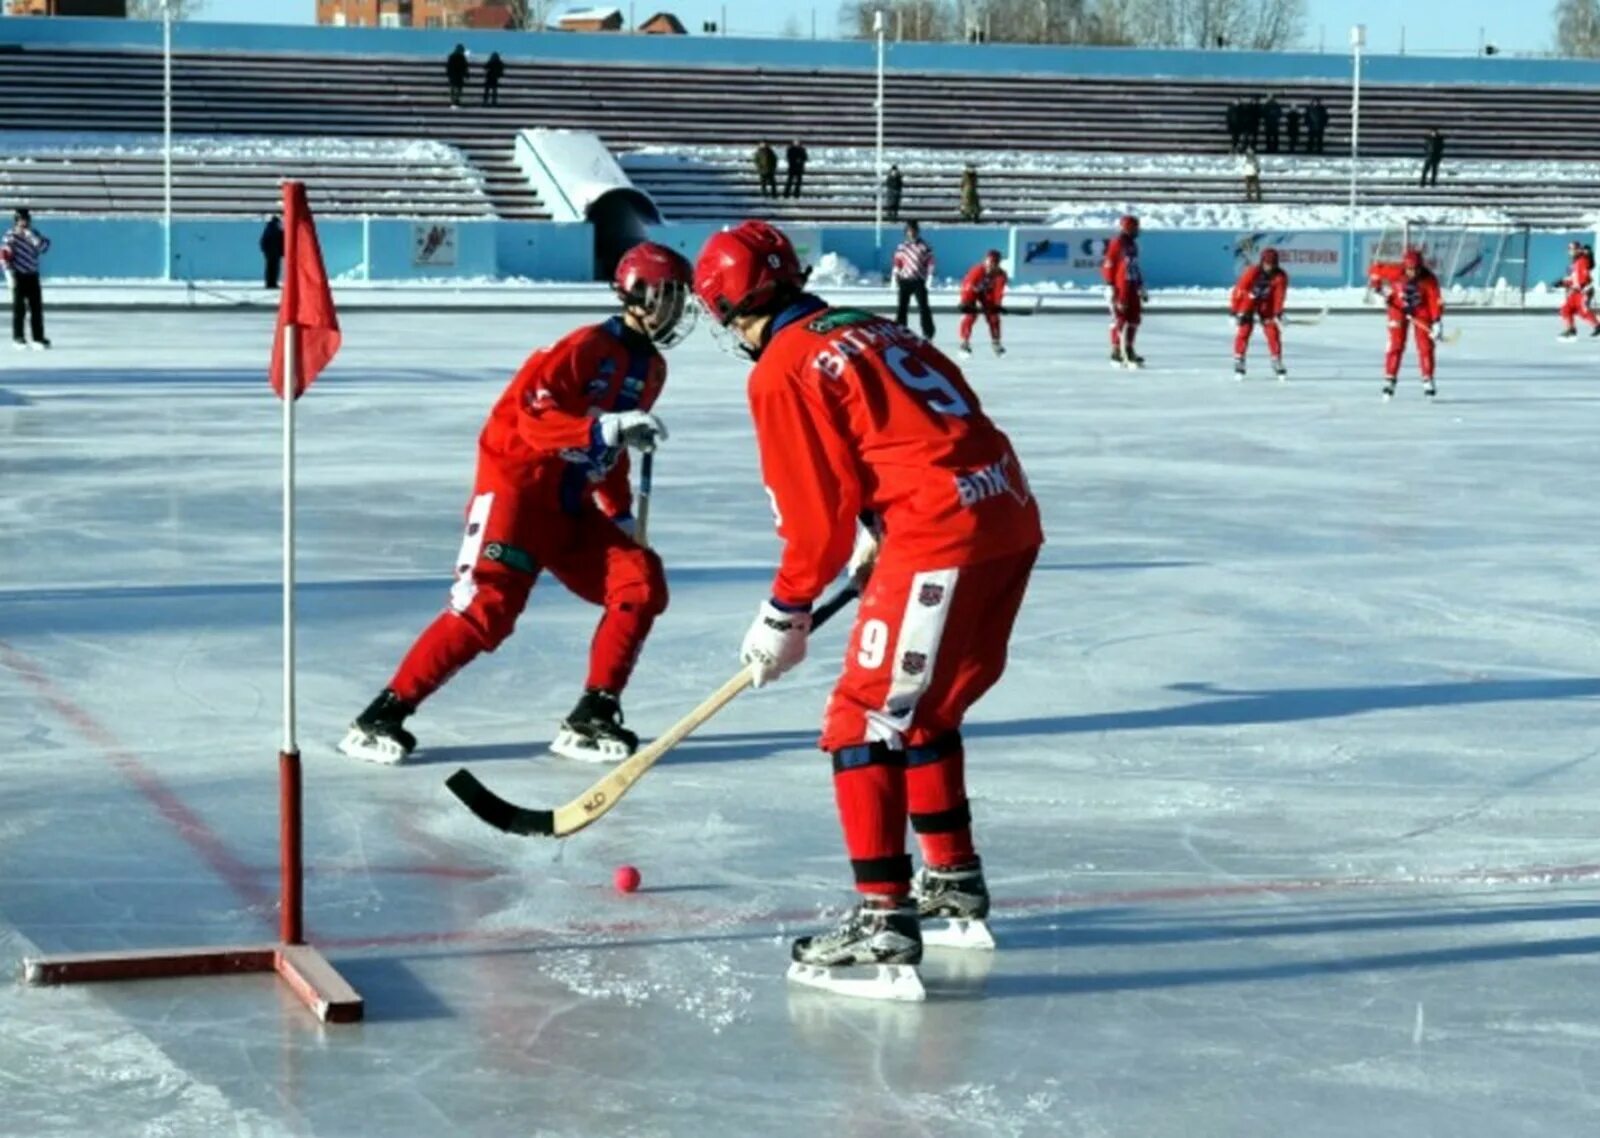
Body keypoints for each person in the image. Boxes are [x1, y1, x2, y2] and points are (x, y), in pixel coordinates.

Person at [690, 220, 1043, 989]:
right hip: (1006, 509)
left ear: (726, 306)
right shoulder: (870, 325)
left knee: (862, 716)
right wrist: (881, 523)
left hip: (942, 529)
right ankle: (949, 878)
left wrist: (785, 613)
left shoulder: (782, 365)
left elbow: (812, 523)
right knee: (928, 709)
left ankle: (884, 921)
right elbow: (942, 419)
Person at [337, 243, 696, 765]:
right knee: (489, 608)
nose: (676, 309)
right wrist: (604, 426)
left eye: (681, 298)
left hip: (570, 504)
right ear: (635, 294)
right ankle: (382, 716)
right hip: (516, 491)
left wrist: (616, 509)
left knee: (639, 579)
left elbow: (607, 451)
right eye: (667, 296)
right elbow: (536, 422)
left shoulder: (653, 369)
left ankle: (593, 713)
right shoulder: (584, 346)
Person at [1368, 248, 1444, 400]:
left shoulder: (1429, 279)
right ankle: (1390, 379)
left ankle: (1428, 379)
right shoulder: (1394, 271)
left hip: (1421, 312)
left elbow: (1435, 301)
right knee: (1396, 344)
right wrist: (1377, 289)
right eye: (1409, 269)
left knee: (1425, 346)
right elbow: (1373, 270)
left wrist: (1436, 321)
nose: (1412, 272)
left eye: (1416, 269)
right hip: (1397, 309)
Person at [1230, 247, 1288, 380]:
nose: (1269, 267)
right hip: (1248, 301)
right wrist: (1235, 311)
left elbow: (1279, 296)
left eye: (1272, 264)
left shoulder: (1281, 276)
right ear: (1262, 262)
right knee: (1244, 330)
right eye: (1267, 264)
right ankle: (1239, 359)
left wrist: (1278, 313)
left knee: (1272, 331)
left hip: (1266, 304)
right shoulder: (1252, 272)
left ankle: (1276, 360)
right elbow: (1239, 291)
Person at [1101, 214, 1145, 368]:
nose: (1138, 230)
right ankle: (1116, 351)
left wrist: (1141, 286)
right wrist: (1110, 285)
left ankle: (1128, 348)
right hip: (1121, 287)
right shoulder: (1117, 243)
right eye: (1136, 227)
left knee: (1134, 318)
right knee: (1119, 319)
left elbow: (1135, 267)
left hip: (1132, 286)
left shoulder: (1133, 245)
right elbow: (1108, 264)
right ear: (1129, 228)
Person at [2, 207, 50, 350]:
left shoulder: (34, 234)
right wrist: (8, 274)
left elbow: (44, 247)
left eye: (26, 220)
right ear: (16, 222)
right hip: (19, 275)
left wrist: (33, 237)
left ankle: (38, 338)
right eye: (21, 221)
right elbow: (4, 256)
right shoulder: (11, 236)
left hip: (32, 275)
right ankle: (18, 337)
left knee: (36, 308)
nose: (24, 223)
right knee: (19, 309)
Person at [956, 249, 1007, 357]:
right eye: (990, 262)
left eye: (995, 263)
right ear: (986, 261)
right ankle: (964, 342)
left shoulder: (1001, 275)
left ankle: (996, 342)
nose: (992, 266)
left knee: (993, 317)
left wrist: (997, 305)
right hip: (971, 292)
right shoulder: (977, 270)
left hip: (987, 294)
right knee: (971, 316)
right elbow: (967, 286)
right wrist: (965, 302)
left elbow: (998, 291)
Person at [891, 219, 936, 341]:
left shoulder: (924, 246)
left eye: (914, 231)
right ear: (906, 232)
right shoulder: (902, 247)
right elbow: (898, 261)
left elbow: (930, 262)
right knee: (902, 306)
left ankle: (928, 331)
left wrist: (930, 275)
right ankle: (900, 329)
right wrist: (895, 274)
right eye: (910, 231)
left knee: (923, 306)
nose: (912, 233)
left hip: (918, 281)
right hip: (904, 280)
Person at [1555, 239, 1599, 340]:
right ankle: (1571, 329)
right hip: (1575, 291)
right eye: (1569, 249)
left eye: (1572, 249)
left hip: (1582, 291)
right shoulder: (1574, 264)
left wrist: (1583, 286)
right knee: (1566, 309)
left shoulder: (1582, 260)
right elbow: (1574, 279)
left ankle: (1597, 326)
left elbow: (1585, 276)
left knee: (1583, 310)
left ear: (1578, 250)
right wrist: (1562, 283)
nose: (1570, 252)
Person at [259, 213, 284, 290]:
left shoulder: (269, 229)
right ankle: (272, 283)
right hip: (275, 253)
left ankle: (270, 283)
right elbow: (282, 241)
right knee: (274, 269)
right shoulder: (277, 230)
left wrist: (265, 250)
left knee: (270, 269)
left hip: (270, 253)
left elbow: (263, 241)